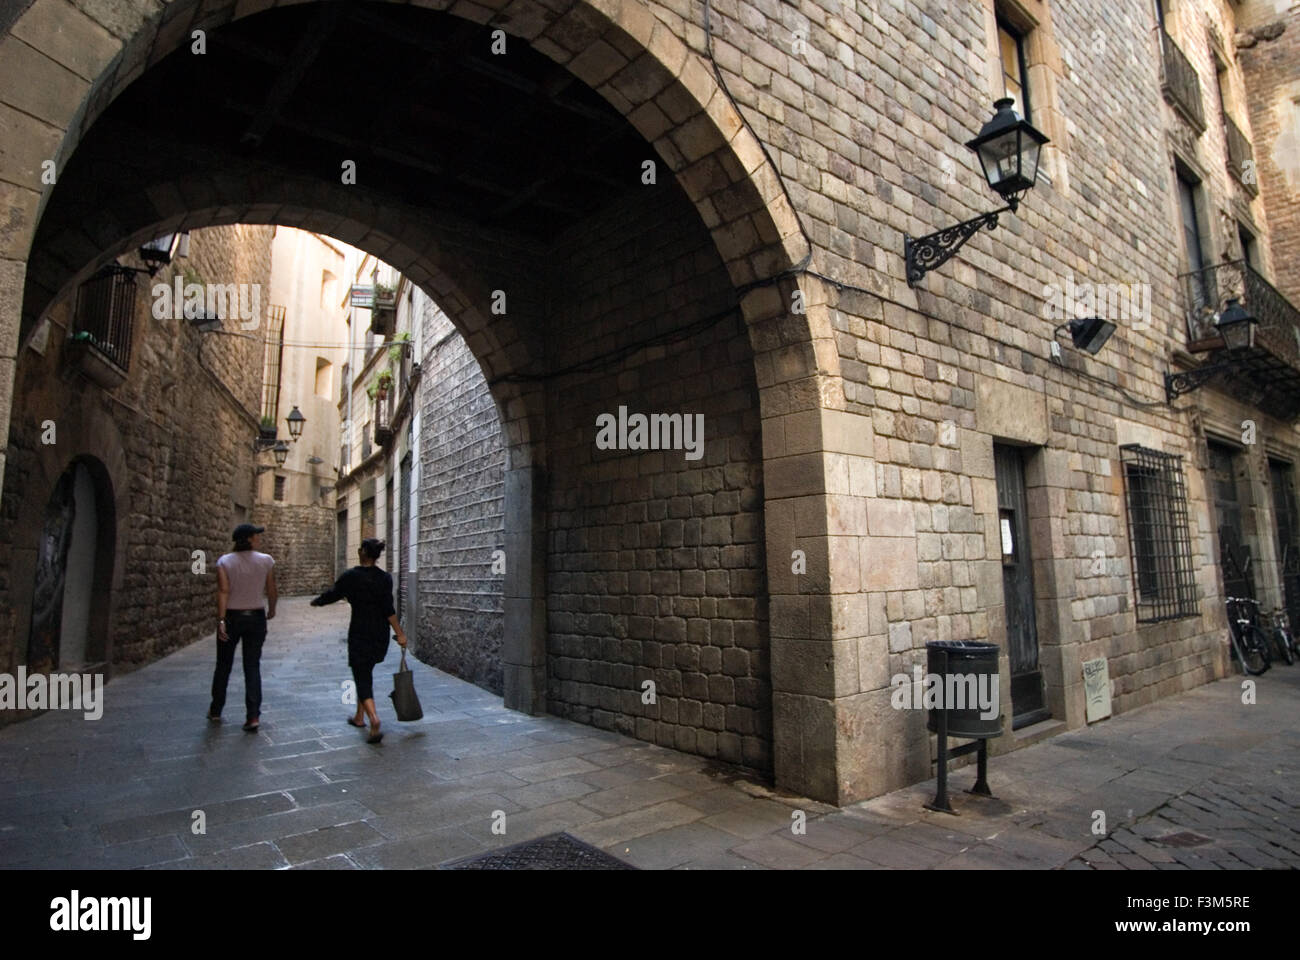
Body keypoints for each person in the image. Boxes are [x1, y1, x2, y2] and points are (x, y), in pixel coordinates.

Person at [310, 538, 407, 744]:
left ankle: (374, 720)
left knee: (361, 676)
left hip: (360, 632)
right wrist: (399, 633)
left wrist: (318, 601)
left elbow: (333, 594)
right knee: (366, 672)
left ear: (363, 553)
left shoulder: (350, 576)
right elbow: (389, 609)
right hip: (379, 633)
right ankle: (359, 717)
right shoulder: (385, 578)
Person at [211, 523, 277, 731]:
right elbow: (271, 589)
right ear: (248, 539)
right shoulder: (266, 561)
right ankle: (253, 716)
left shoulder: (224, 561)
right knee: (252, 665)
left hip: (232, 617)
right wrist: (272, 609)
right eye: (256, 535)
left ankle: (216, 709)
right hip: (256, 617)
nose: (259, 538)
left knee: (223, 664)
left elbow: (223, 591)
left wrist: (221, 620)